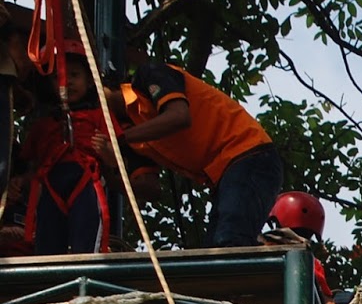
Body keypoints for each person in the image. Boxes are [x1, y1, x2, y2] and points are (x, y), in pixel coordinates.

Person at [100, 48, 280, 246]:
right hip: (226, 173)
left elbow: (179, 116)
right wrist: (108, 173)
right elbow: (151, 188)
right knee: (215, 255)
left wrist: (119, 139)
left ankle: (279, 253)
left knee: (229, 242)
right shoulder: (127, 130)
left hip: (248, 153)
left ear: (106, 85)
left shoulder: (149, 75)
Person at [15, 42, 149, 254]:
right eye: (57, 77)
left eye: (74, 75)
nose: (66, 82)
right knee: (47, 242)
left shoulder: (99, 116)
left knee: (85, 238)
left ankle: (85, 277)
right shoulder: (44, 125)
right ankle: (51, 280)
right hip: (50, 186)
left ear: (89, 81)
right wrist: (22, 181)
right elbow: (32, 165)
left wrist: (106, 152)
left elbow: (117, 163)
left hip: (85, 183)